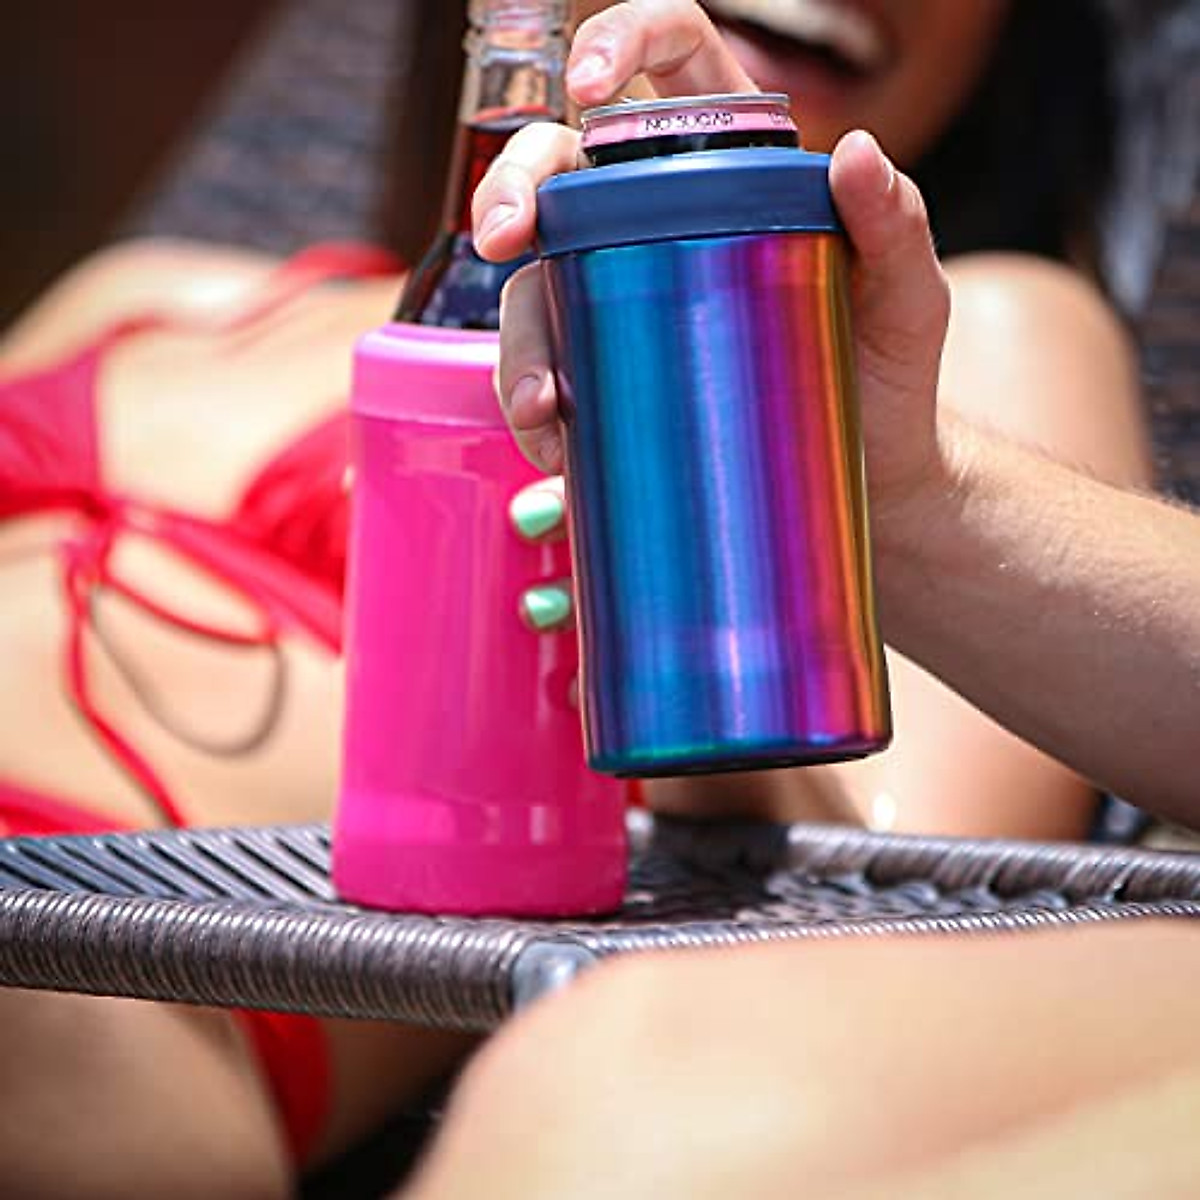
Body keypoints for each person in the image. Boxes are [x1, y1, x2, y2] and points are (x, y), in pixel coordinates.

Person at [0, 0, 1163, 1195]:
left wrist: (693, 550)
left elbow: (898, 914)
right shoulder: (141, 292)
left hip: (119, 989)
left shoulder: (979, 337)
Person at [400, 2, 1200, 1194]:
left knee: (629, 1077)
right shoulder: (173, 292)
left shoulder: (993, 332)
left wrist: (822, 504)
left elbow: (891, 891)